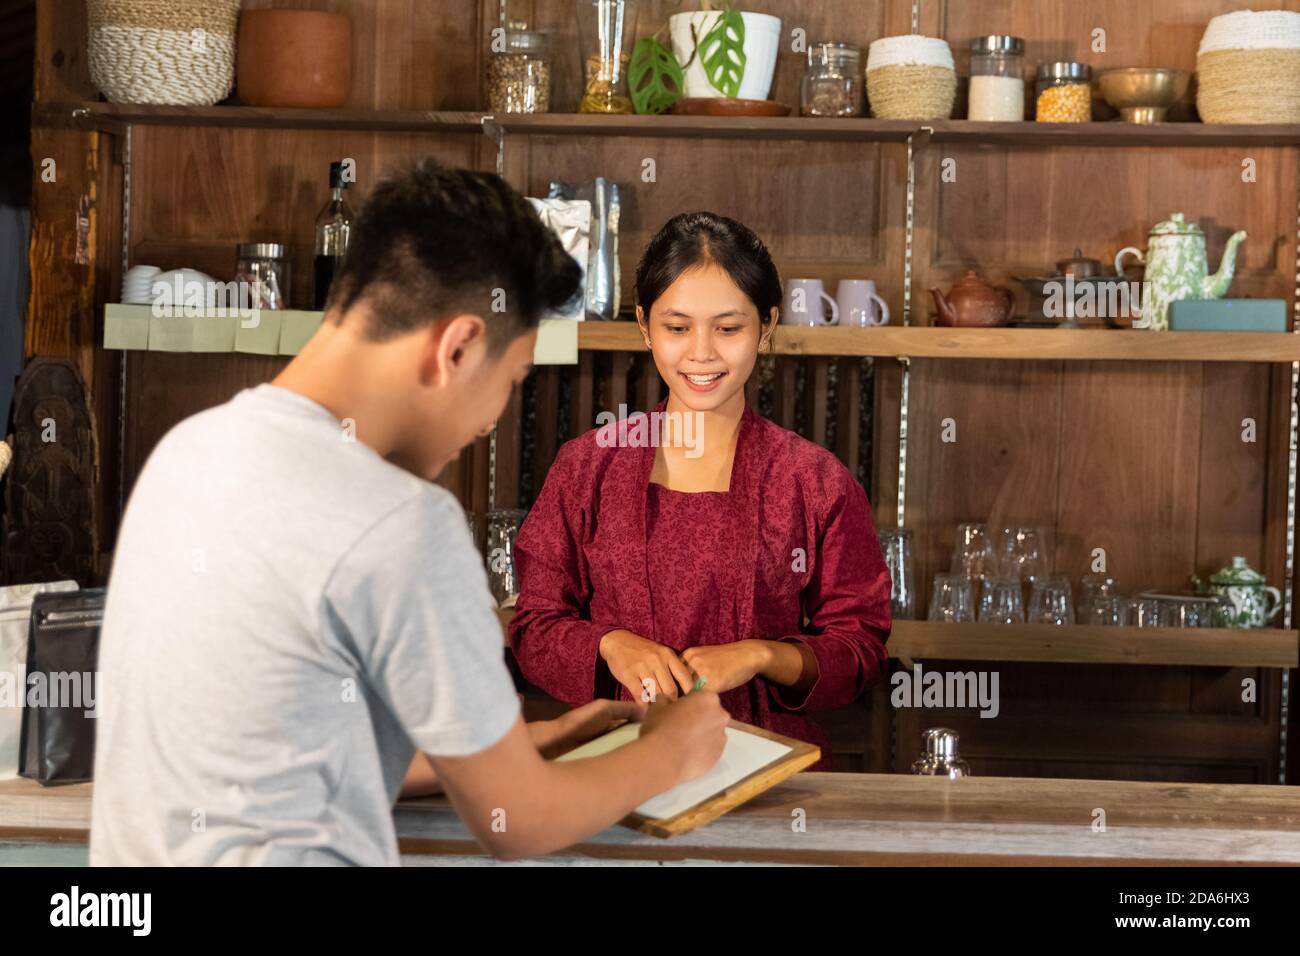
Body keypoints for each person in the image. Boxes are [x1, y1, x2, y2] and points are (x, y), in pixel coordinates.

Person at [90, 161, 728, 866]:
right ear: (456, 349)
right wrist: (672, 750)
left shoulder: (188, 451)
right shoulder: (401, 520)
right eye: (512, 380)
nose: (490, 422)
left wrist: (522, 748)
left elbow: (274, 757)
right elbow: (516, 821)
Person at [510, 212, 892, 768]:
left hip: (770, 776)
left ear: (766, 326)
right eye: (677, 326)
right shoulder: (585, 467)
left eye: (729, 328)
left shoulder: (814, 480)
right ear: (644, 326)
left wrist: (763, 655)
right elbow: (535, 628)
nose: (702, 353)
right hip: (614, 770)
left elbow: (861, 649)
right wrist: (610, 645)